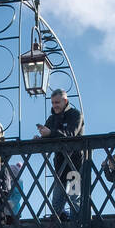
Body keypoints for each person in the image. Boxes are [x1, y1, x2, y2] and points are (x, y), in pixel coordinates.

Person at [36, 89, 84, 220]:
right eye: (52, 103)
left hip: (75, 164)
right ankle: (59, 225)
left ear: (65, 101)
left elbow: (70, 134)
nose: (54, 105)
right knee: (57, 200)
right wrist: (41, 138)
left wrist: (50, 133)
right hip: (60, 165)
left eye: (57, 102)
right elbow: (49, 135)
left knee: (75, 198)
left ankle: (77, 225)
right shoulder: (52, 119)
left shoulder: (75, 115)